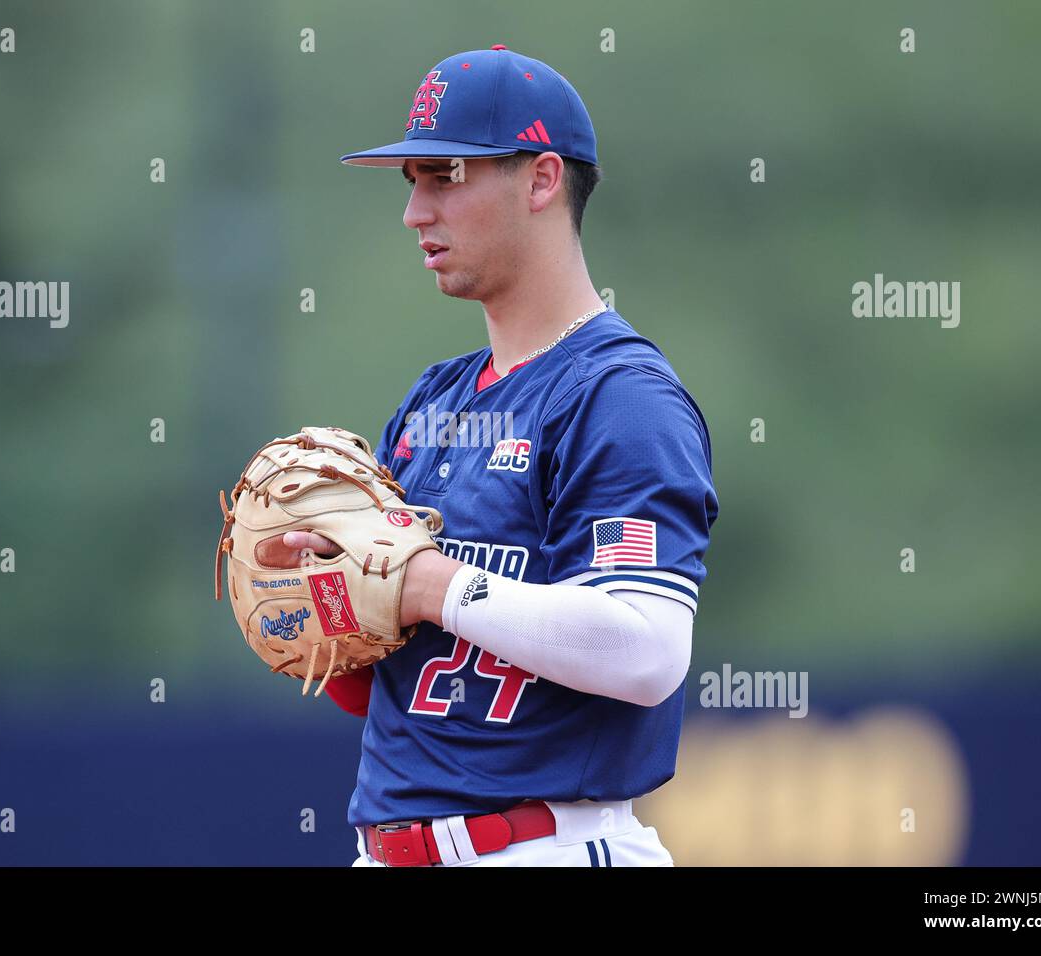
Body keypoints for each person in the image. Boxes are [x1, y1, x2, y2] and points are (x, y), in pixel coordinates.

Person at [266, 45, 718, 866]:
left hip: (545, 847)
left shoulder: (619, 397)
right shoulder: (432, 403)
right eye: (412, 183)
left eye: (445, 176)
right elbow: (386, 691)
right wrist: (324, 609)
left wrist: (427, 583)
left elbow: (648, 651)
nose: (415, 213)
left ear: (543, 180)